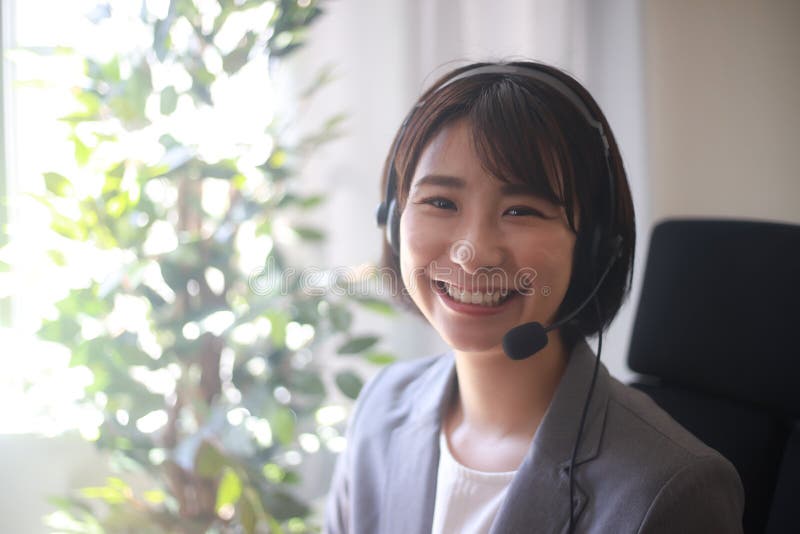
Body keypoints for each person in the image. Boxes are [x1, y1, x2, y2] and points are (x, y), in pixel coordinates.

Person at [324, 61, 744, 534]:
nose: (473, 254)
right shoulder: (380, 407)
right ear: (395, 218)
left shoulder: (669, 489)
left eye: (521, 210)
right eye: (441, 202)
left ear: (592, 247)